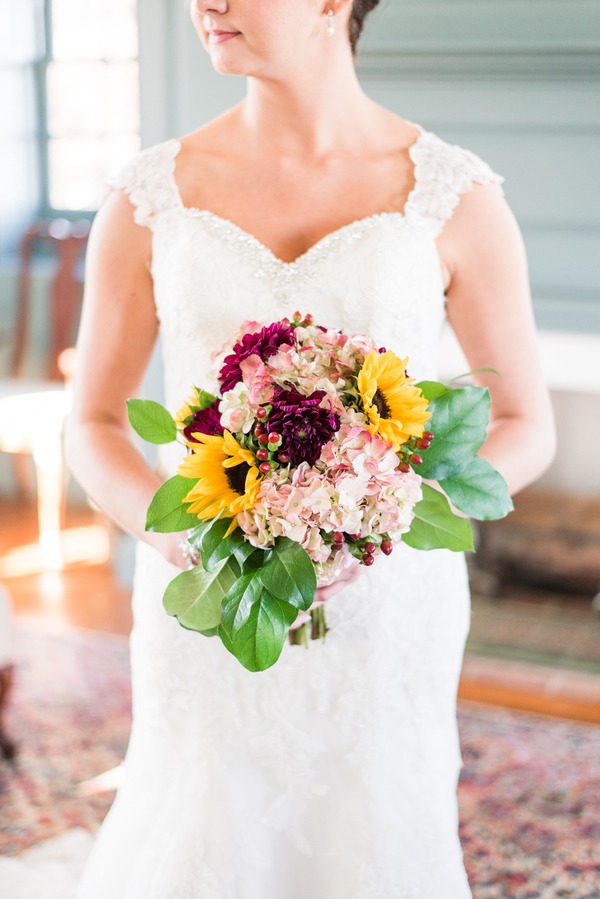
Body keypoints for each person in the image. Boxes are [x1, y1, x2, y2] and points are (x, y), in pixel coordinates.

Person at [23, 0, 556, 896]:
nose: (207, 4)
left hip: (392, 604)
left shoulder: (455, 195)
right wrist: (174, 539)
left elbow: (526, 423)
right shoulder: (149, 197)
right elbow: (97, 423)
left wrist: (384, 511)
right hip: (210, 587)